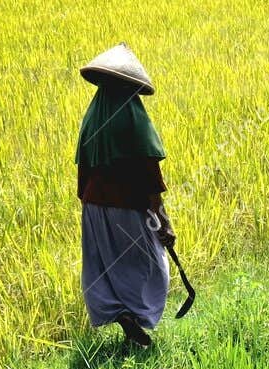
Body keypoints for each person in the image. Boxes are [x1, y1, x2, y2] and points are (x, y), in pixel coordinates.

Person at [76, 44, 174, 348]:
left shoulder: (92, 119)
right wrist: (163, 221)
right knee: (150, 267)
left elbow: (83, 173)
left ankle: (123, 318)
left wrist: (92, 209)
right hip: (129, 208)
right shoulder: (134, 120)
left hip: (94, 207)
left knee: (105, 267)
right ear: (131, 89)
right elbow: (149, 178)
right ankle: (135, 318)